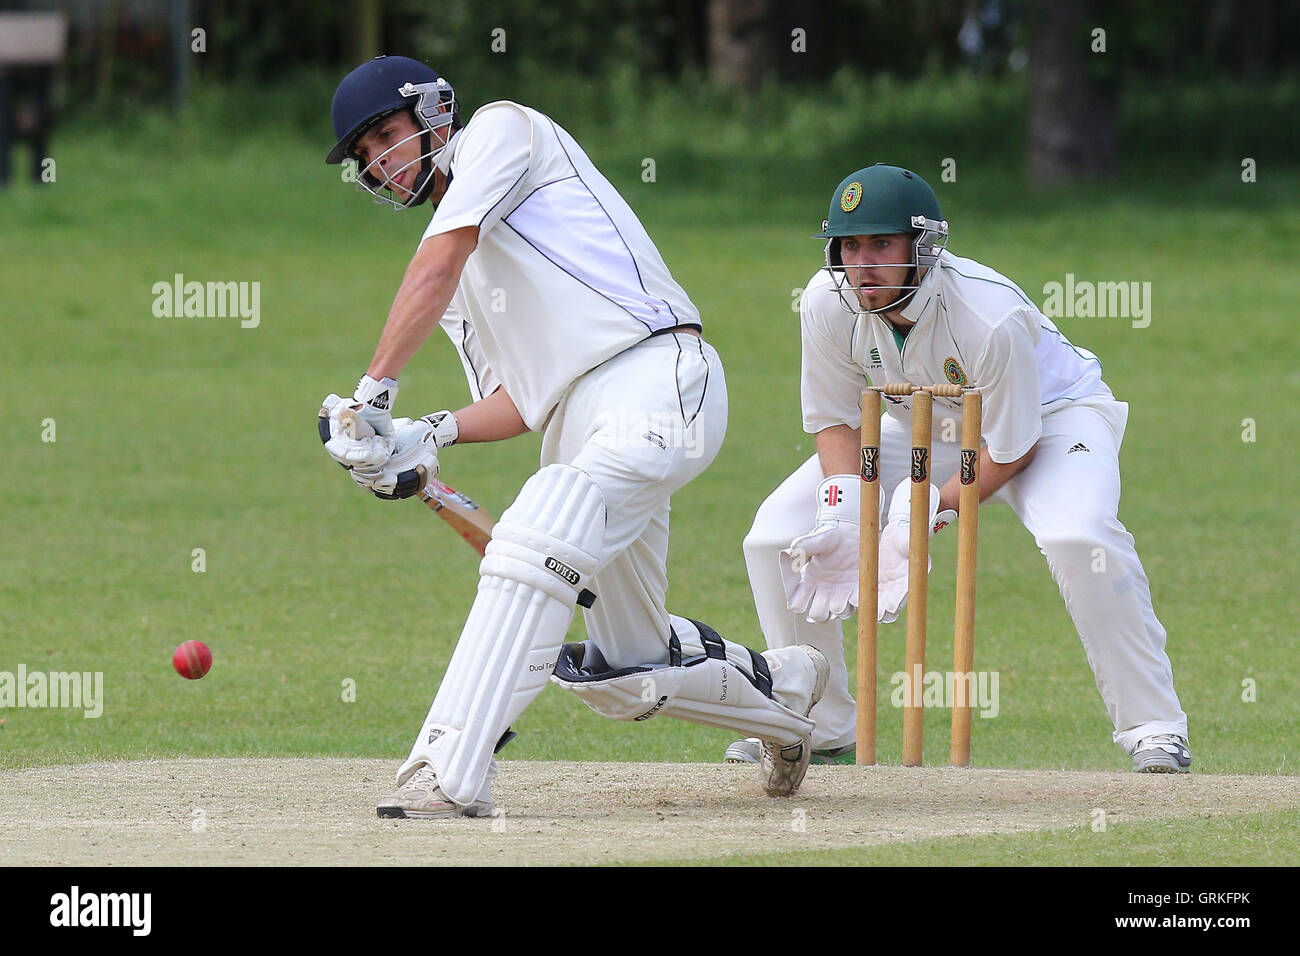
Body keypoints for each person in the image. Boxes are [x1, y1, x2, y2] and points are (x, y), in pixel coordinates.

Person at [315, 55, 828, 818]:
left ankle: (449, 769)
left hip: (657, 377)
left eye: (386, 135)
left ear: (434, 115)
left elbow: (443, 253)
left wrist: (373, 397)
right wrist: (428, 434)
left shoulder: (502, 132)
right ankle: (786, 693)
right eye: (365, 157)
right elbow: (518, 400)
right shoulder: (456, 286)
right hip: (578, 424)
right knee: (626, 671)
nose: (381, 163)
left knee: (535, 527)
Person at [726, 164, 1189, 773]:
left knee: (1080, 536)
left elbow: (1011, 447)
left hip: (1049, 422)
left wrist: (927, 506)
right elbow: (836, 419)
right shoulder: (826, 300)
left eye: (881, 244)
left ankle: (1154, 728)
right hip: (922, 424)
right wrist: (842, 505)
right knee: (775, 535)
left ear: (923, 246)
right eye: (850, 245)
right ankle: (820, 723)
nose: (862, 264)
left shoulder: (985, 315)